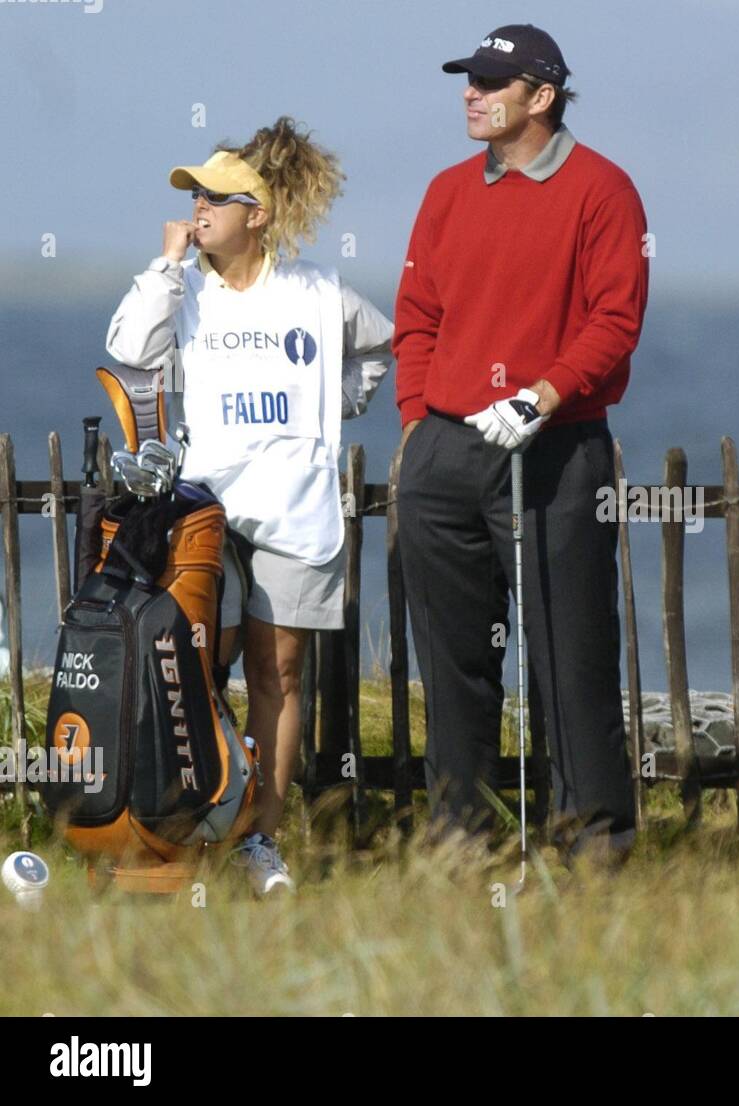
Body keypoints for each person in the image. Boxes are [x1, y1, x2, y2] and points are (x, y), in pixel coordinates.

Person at [106, 118, 393, 894]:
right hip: (202, 512)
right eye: (193, 196)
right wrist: (166, 265)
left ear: (256, 215)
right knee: (195, 670)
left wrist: (337, 406)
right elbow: (131, 351)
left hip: (295, 509)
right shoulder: (184, 290)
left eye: (215, 198)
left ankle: (259, 840)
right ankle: (189, 829)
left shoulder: (316, 292)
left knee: (282, 676)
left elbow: (379, 345)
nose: (198, 208)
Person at [394, 25, 648, 859]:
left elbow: (615, 320)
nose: (473, 92)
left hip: (554, 448)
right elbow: (419, 319)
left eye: (493, 82)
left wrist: (541, 395)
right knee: (453, 658)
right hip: (446, 450)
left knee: (570, 654)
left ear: (541, 96)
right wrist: (415, 427)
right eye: (470, 79)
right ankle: (460, 837)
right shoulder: (445, 192)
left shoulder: (604, 191)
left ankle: (592, 843)